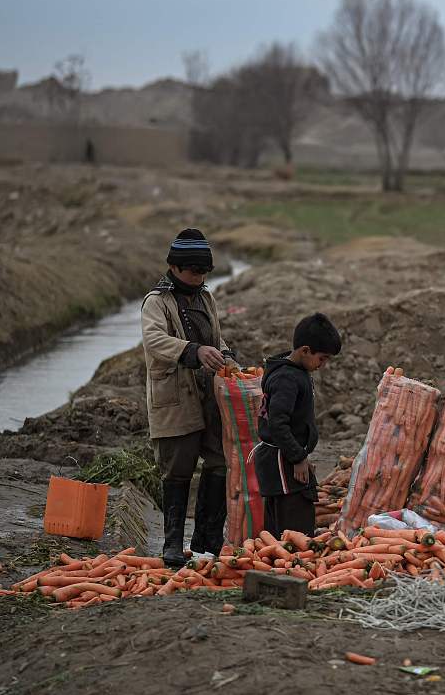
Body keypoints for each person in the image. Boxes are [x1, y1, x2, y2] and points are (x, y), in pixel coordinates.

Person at [140, 228, 235, 566]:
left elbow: (218, 339)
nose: (199, 277)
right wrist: (192, 351)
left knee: (220, 462)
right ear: (175, 267)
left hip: (209, 398)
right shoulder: (157, 302)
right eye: (194, 271)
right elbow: (154, 341)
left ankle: (206, 541)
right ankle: (171, 546)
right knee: (177, 471)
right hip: (176, 399)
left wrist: (228, 357)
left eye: (204, 272)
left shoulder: (206, 298)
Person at [253, 313, 342, 537]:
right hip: (283, 462)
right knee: (296, 530)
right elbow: (278, 424)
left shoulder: (293, 371)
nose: (323, 364)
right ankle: (290, 567)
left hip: (284, 457)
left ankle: (277, 565)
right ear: (304, 351)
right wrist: (298, 457)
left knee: (278, 528)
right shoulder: (287, 379)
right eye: (322, 358)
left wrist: (302, 454)